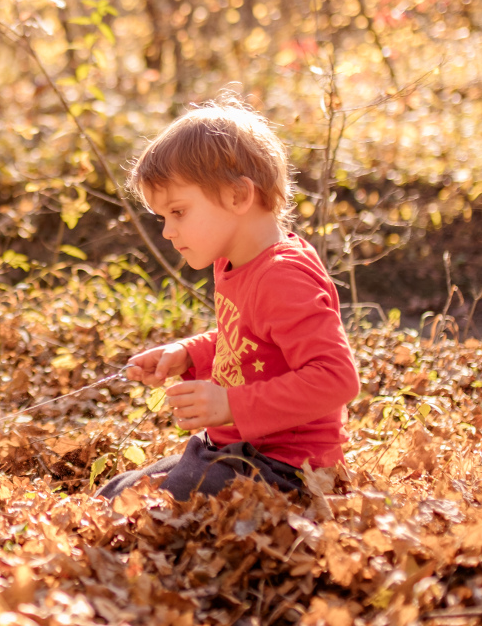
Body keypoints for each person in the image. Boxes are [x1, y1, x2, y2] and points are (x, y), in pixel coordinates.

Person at [97, 95, 359, 503]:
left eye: (178, 212)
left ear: (238, 197)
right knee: (120, 491)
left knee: (157, 504)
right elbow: (250, 339)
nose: (168, 231)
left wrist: (231, 405)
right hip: (237, 450)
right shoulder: (234, 263)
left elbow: (336, 378)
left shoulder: (283, 276)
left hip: (287, 468)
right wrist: (189, 354)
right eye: (163, 217)